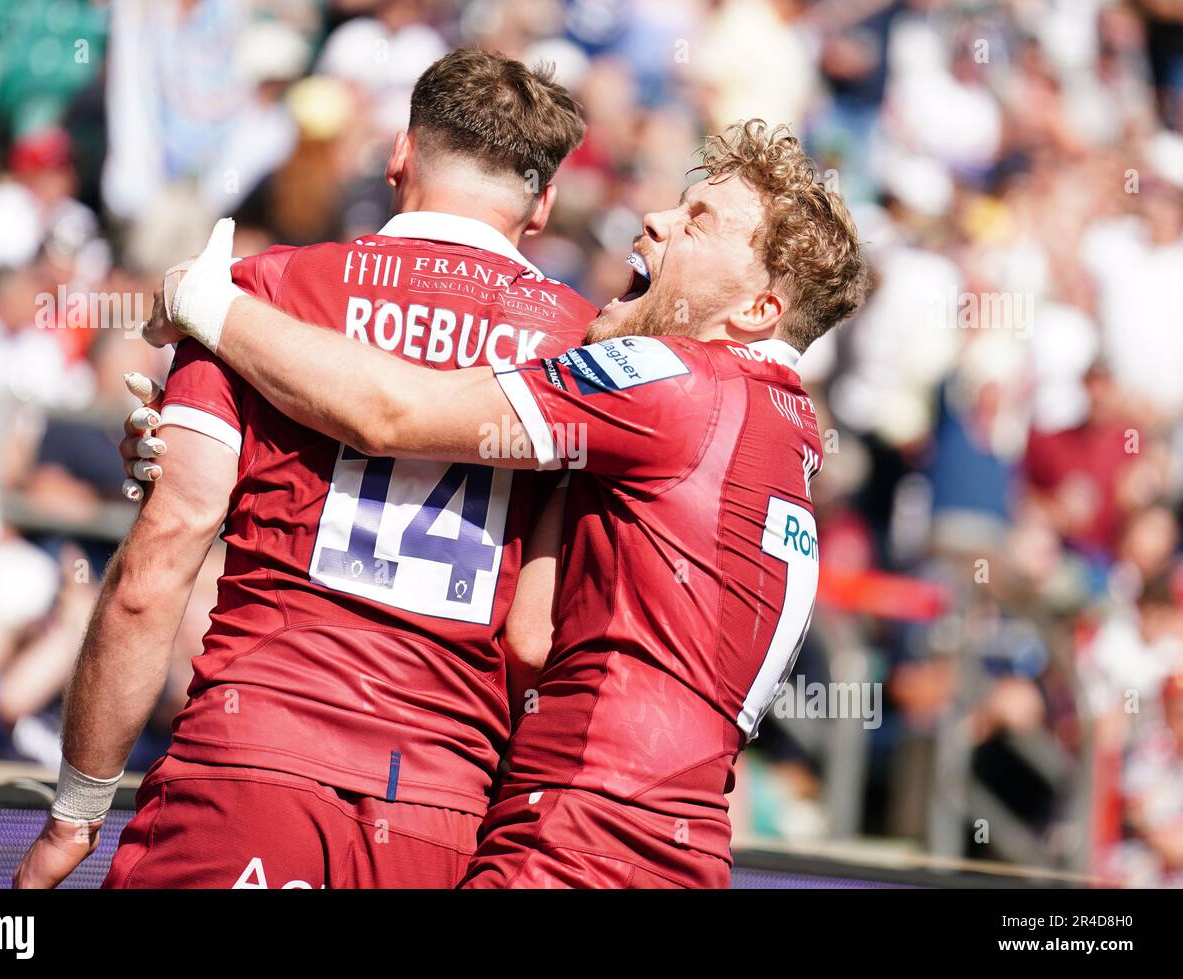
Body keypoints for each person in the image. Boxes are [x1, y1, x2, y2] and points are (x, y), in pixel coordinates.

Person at [134, 119, 871, 887]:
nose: (658, 219)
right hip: (682, 852)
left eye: (699, 222)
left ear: (757, 310)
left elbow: (394, 415)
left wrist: (209, 304)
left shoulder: (676, 382)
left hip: (577, 846)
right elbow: (533, 636)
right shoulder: (782, 433)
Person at [13, 48, 593, 889]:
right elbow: (543, 641)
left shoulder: (260, 295)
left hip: (252, 763)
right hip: (439, 805)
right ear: (542, 204)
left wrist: (77, 805)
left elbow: (161, 560)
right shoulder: (587, 357)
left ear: (400, 154)